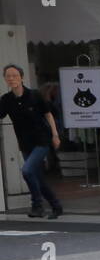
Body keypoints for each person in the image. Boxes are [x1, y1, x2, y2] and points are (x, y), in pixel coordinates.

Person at [1, 64, 63, 218]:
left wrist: (55, 135)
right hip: (25, 143)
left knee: (27, 170)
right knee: (36, 176)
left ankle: (37, 205)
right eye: (8, 76)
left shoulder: (34, 95)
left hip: (42, 140)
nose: (11, 78)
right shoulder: (6, 100)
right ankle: (56, 206)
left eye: (14, 75)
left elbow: (48, 114)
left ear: (21, 77)